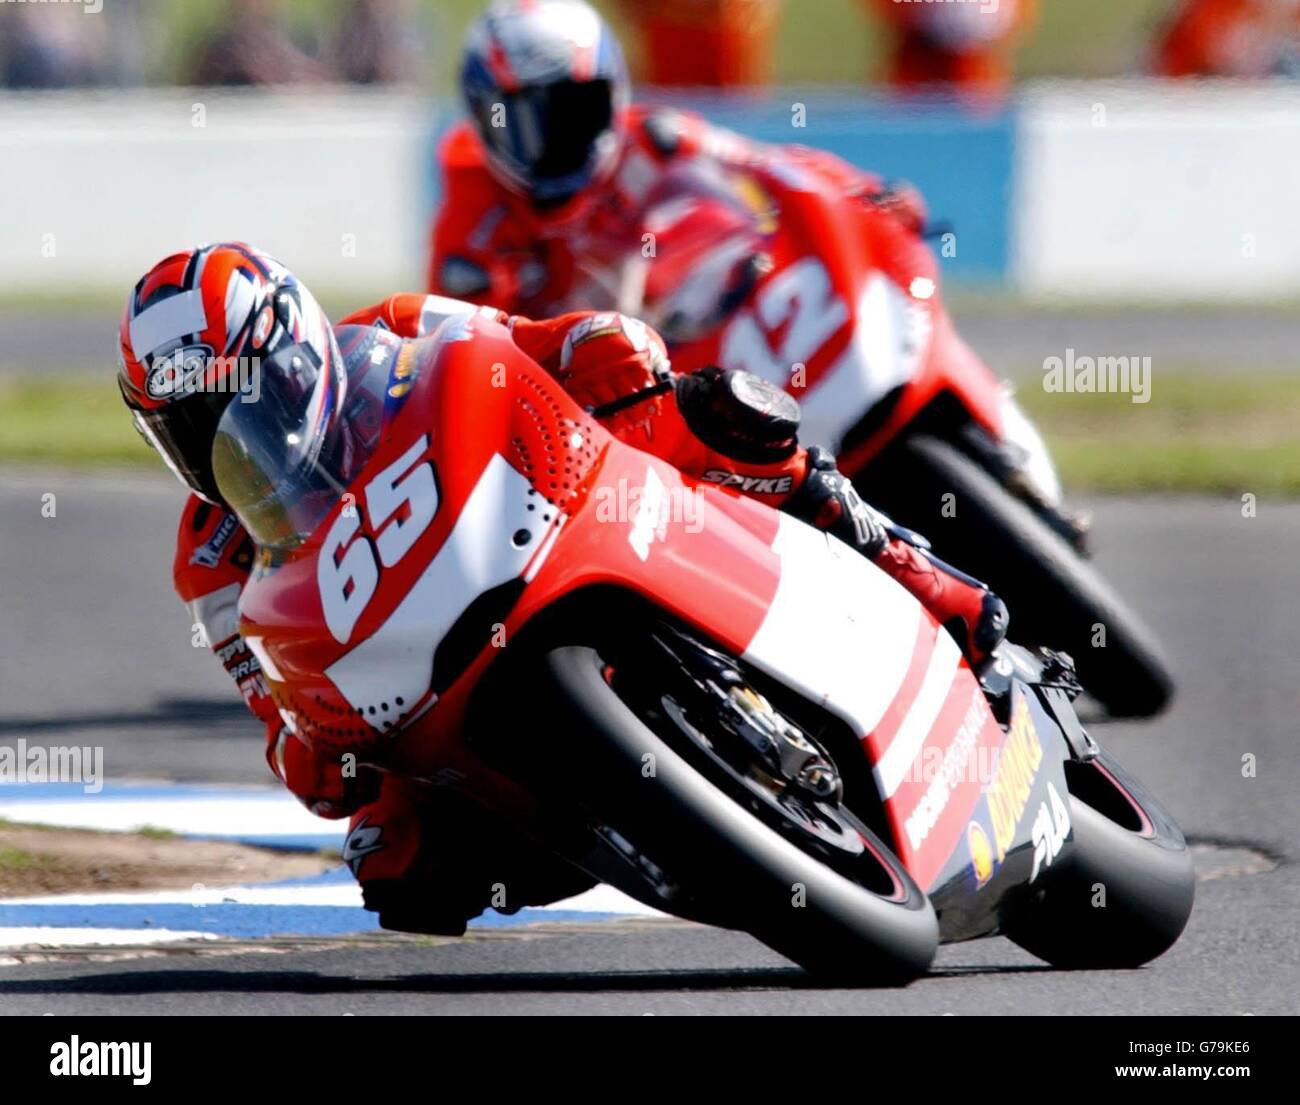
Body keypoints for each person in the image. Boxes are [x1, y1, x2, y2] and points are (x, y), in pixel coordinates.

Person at [117, 241, 1007, 934]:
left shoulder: (389, 330)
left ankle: (908, 564)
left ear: (295, 350)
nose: (219, 443)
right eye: (184, 431)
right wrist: (309, 749)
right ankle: (637, 829)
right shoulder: (210, 558)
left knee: (709, 407)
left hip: (538, 522)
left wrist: (603, 346)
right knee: (396, 866)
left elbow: (529, 342)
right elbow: (283, 733)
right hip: (420, 692)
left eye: (236, 401)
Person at [428, 0, 926, 316]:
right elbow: (481, 354)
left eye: (578, 110)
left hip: (686, 356)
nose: (557, 139)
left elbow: (766, 163)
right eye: (529, 121)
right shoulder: (473, 220)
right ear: (481, 113)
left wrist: (863, 191)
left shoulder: (652, 137)